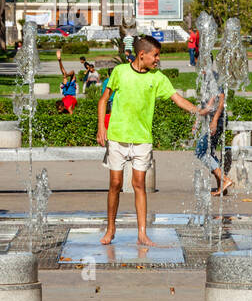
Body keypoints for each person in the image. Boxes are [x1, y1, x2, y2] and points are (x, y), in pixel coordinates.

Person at [96, 35, 208, 246]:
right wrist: (101, 127)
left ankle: (142, 233)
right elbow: (103, 100)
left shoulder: (158, 78)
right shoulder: (119, 72)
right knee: (115, 184)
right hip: (117, 137)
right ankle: (111, 229)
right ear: (142, 55)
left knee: (139, 184)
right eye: (155, 55)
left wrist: (198, 111)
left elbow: (177, 99)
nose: (157, 59)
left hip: (142, 139)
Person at [195, 64, 234, 197]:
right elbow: (204, 103)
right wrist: (197, 121)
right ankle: (221, 185)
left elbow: (221, 100)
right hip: (211, 121)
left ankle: (225, 180)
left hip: (216, 121)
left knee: (200, 151)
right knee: (209, 152)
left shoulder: (213, 77)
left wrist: (214, 121)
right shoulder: (206, 78)